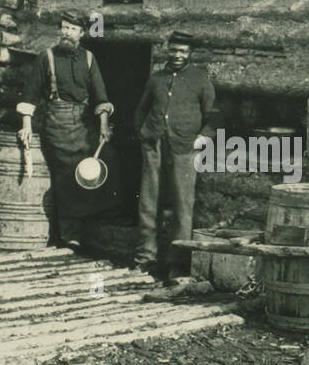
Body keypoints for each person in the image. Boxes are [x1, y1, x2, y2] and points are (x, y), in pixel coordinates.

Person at [15, 16, 113, 251]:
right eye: (65, 28)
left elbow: (101, 97)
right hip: (56, 126)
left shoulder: (89, 59)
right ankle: (68, 236)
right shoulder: (46, 57)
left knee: (91, 174)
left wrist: (103, 125)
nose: (67, 33)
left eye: (73, 29)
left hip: (83, 126)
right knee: (66, 176)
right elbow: (30, 95)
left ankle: (81, 230)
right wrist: (26, 125)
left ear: (81, 33)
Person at [133, 31, 215, 283]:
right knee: (149, 202)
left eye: (183, 51)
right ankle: (145, 259)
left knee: (182, 205)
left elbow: (214, 115)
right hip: (155, 144)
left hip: (185, 147)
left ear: (189, 54)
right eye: (174, 50)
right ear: (167, 51)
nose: (178, 55)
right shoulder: (156, 78)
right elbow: (142, 109)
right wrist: (142, 133)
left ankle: (178, 264)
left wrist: (204, 136)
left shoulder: (200, 79)